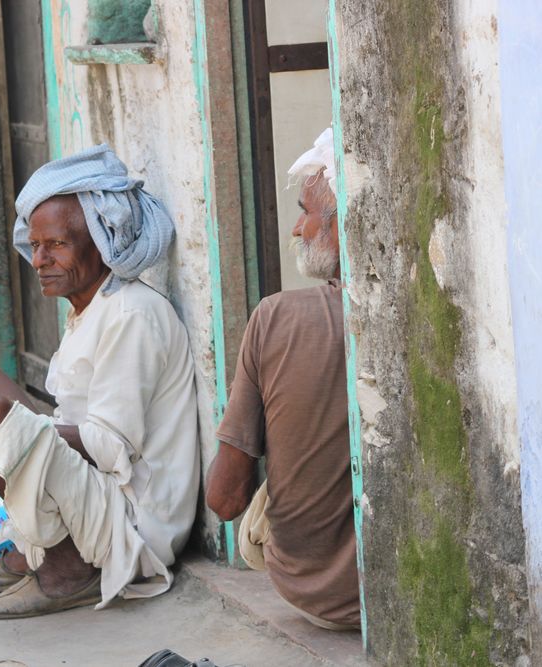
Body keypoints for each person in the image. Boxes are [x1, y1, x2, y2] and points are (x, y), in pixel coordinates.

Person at [0, 145, 199, 619]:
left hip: (131, 520)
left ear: (101, 241)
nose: (38, 259)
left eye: (56, 244)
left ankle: (68, 568)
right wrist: (1, 432)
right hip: (93, 488)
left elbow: (108, 445)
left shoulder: (133, 315)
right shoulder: (90, 307)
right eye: (35, 245)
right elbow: (69, 423)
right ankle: (28, 550)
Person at [204, 127, 360, 630]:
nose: (297, 228)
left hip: (316, 594)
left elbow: (224, 500)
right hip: (402, 591)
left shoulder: (276, 317)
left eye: (307, 213)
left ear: (344, 226)